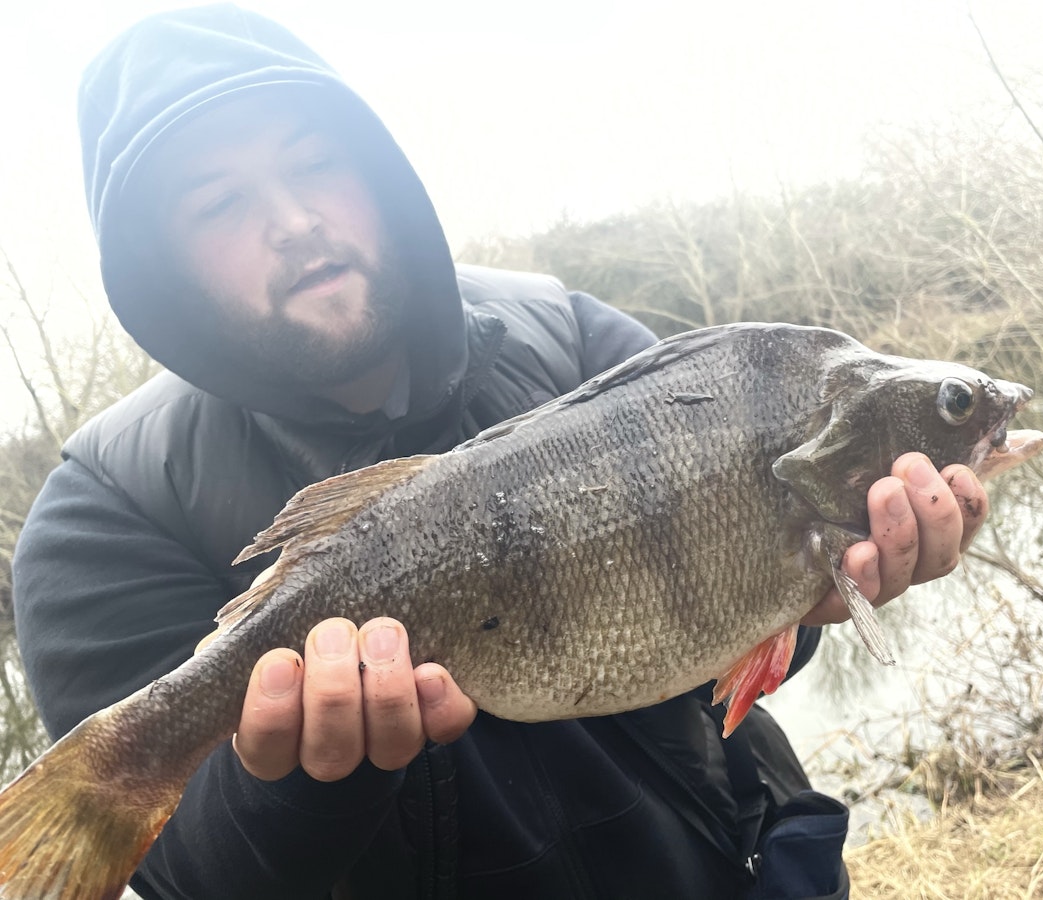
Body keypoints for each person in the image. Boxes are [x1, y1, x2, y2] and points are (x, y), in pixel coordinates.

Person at [11, 5, 990, 899]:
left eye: (315, 163)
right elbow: (199, 876)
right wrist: (306, 780)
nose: (293, 220)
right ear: (161, 265)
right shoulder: (100, 516)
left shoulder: (578, 339)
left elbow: (721, 641)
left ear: (376, 172)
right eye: (218, 204)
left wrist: (812, 600)